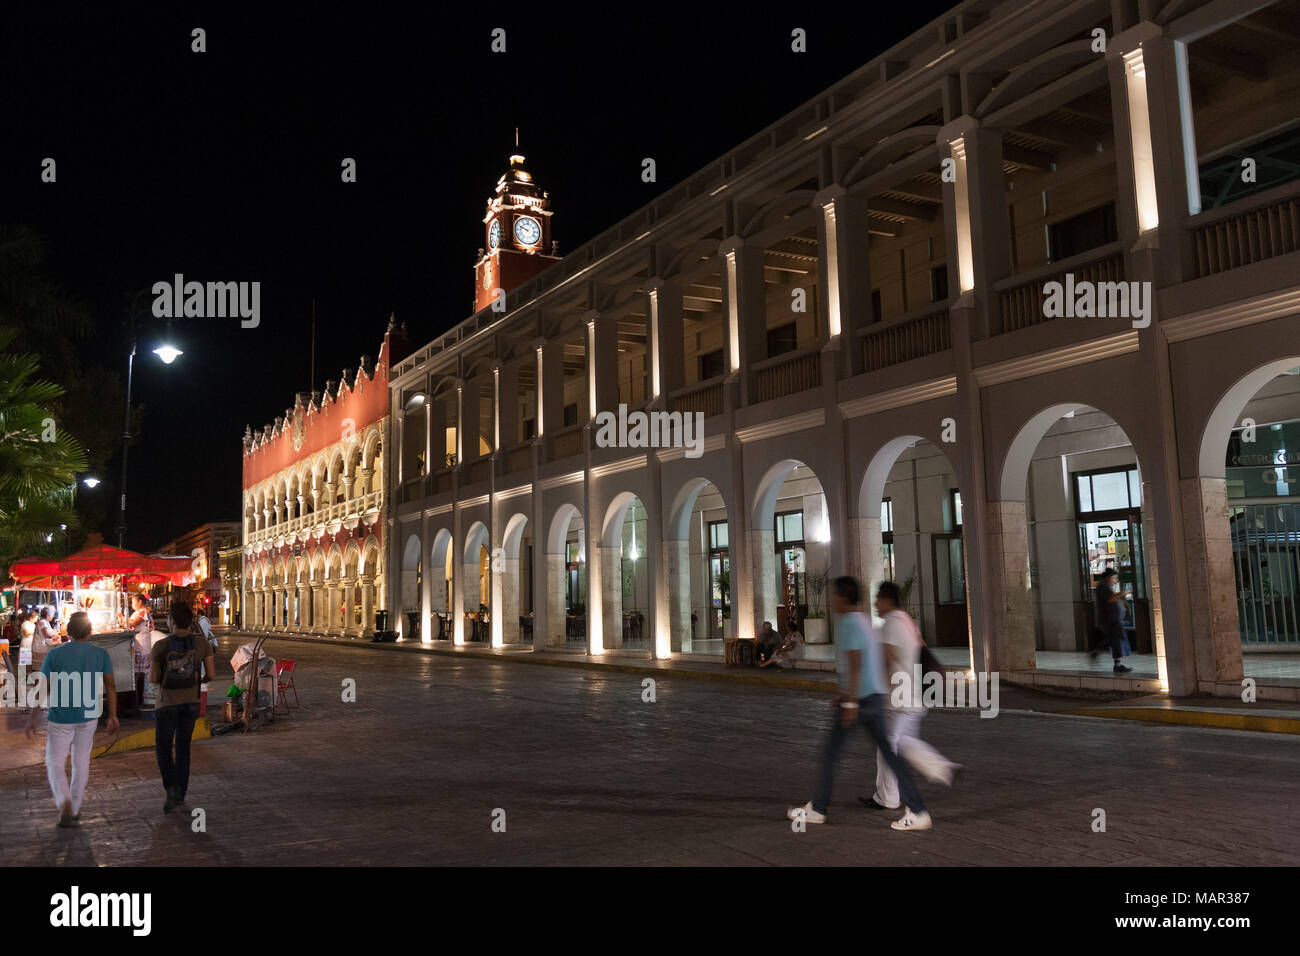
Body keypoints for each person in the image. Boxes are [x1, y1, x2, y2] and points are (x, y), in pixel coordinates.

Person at [787, 576, 932, 832]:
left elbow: (856, 663)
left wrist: (850, 701)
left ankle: (818, 808)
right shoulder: (866, 621)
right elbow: (870, 660)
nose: (831, 601)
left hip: (861, 701)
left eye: (834, 596)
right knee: (890, 754)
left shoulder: (848, 623)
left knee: (831, 753)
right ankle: (918, 809)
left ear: (843, 598)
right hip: (873, 698)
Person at [860, 581, 960, 811]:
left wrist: (876, 691)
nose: (875, 603)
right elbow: (920, 649)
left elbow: (886, 659)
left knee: (887, 747)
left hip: (898, 699)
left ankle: (887, 797)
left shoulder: (891, 623)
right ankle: (942, 767)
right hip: (914, 695)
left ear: (887, 600)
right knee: (904, 743)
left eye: (878, 598)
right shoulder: (907, 621)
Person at [25, 611, 118, 828]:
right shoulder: (100, 654)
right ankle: (74, 808)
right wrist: (113, 715)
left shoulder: (55, 654)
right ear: (90, 630)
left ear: (68, 631)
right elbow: (111, 686)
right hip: (89, 715)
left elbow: (43, 687)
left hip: (61, 716)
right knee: (81, 760)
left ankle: (64, 800)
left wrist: (33, 716)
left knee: (54, 761)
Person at [149, 601, 215, 813]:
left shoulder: (161, 646)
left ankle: (171, 789)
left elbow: (153, 678)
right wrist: (197, 681)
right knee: (184, 747)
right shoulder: (202, 644)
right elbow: (212, 675)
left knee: (164, 748)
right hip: (191, 704)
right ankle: (182, 793)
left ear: (171, 621)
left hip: (166, 703)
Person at [1090, 569, 1132, 674]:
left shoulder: (1106, 587)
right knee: (1114, 641)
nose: (1116, 581)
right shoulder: (1102, 587)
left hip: (1113, 619)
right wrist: (1122, 593)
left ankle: (1099, 653)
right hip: (1110, 620)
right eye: (1115, 578)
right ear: (1108, 577)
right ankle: (1115, 664)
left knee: (1113, 641)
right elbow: (1110, 599)